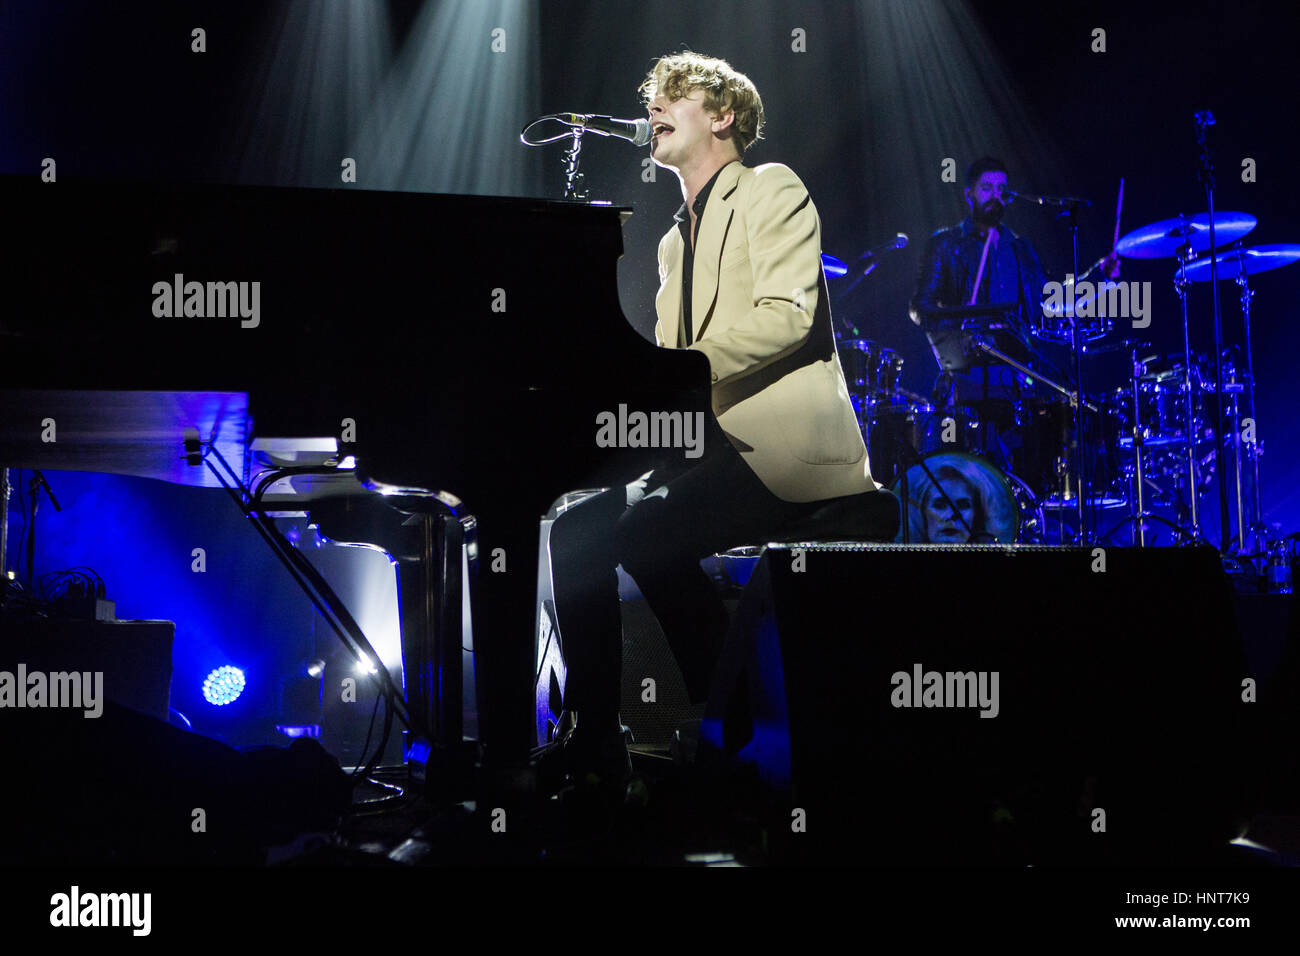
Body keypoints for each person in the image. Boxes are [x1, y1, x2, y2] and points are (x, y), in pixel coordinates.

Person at [544, 51, 887, 790]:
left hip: (785, 450)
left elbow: (787, 320)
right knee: (577, 528)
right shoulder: (671, 241)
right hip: (707, 452)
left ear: (724, 115)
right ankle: (598, 736)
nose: (654, 110)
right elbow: (669, 368)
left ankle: (734, 715)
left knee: (644, 532)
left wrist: (674, 376)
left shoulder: (772, 188)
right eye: (653, 98)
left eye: (675, 95)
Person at [909, 157, 1120, 488]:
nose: (995, 195)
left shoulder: (1020, 248)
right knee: (964, 479)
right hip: (965, 382)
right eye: (986, 188)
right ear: (969, 194)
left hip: (1016, 383)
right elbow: (920, 307)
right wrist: (959, 328)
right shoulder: (945, 244)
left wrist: (1099, 278)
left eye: (1001, 189)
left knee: (1021, 478)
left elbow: (1052, 301)